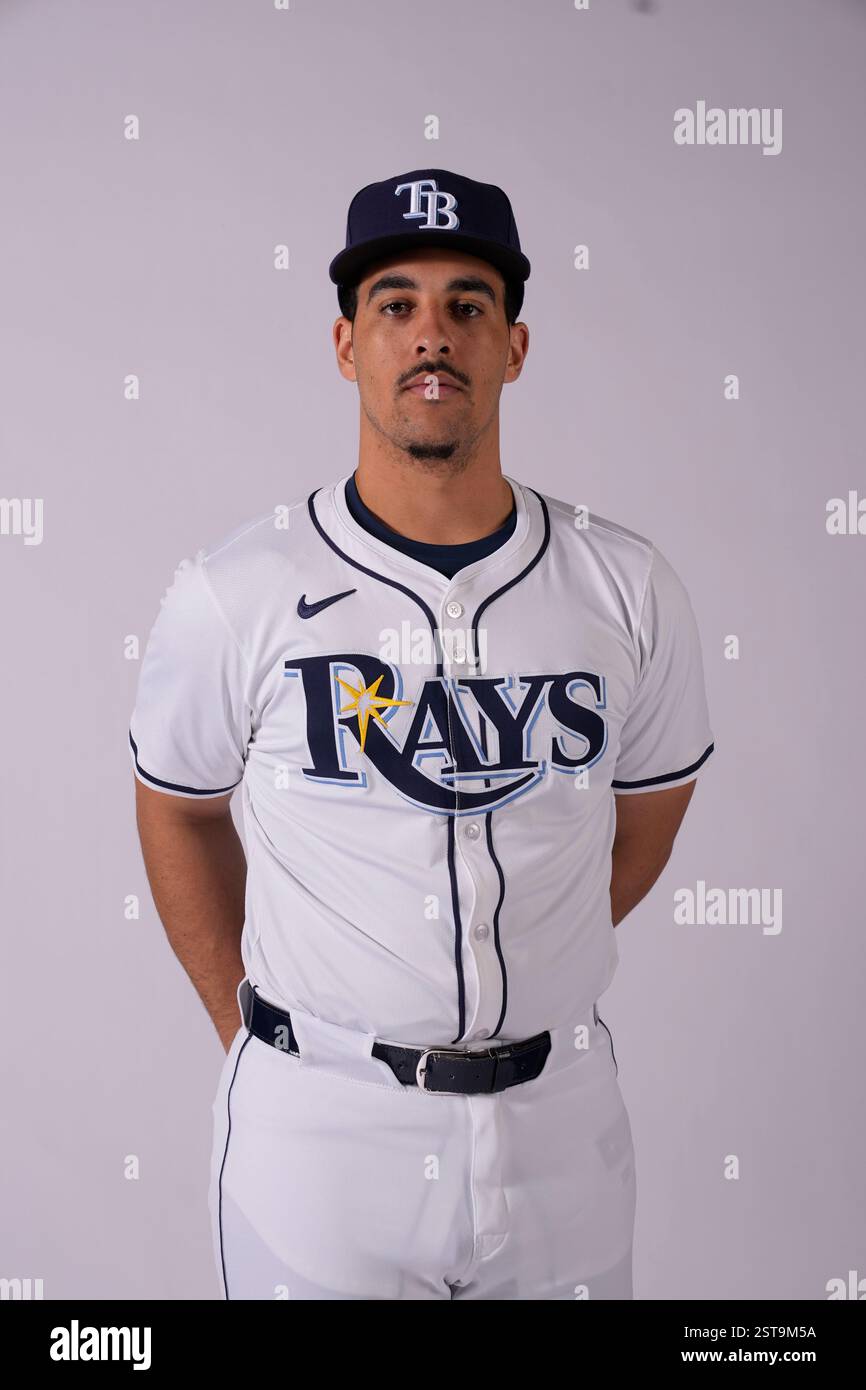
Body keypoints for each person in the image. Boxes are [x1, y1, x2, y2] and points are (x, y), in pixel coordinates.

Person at [129, 168, 715, 1300]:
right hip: (320, 1133)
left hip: (561, 1125)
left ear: (515, 346)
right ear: (346, 345)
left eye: (467, 305)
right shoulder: (235, 590)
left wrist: (538, 941)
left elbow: (645, 808)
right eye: (395, 305)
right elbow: (181, 808)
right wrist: (250, 1028)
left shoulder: (624, 584)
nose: (430, 334)